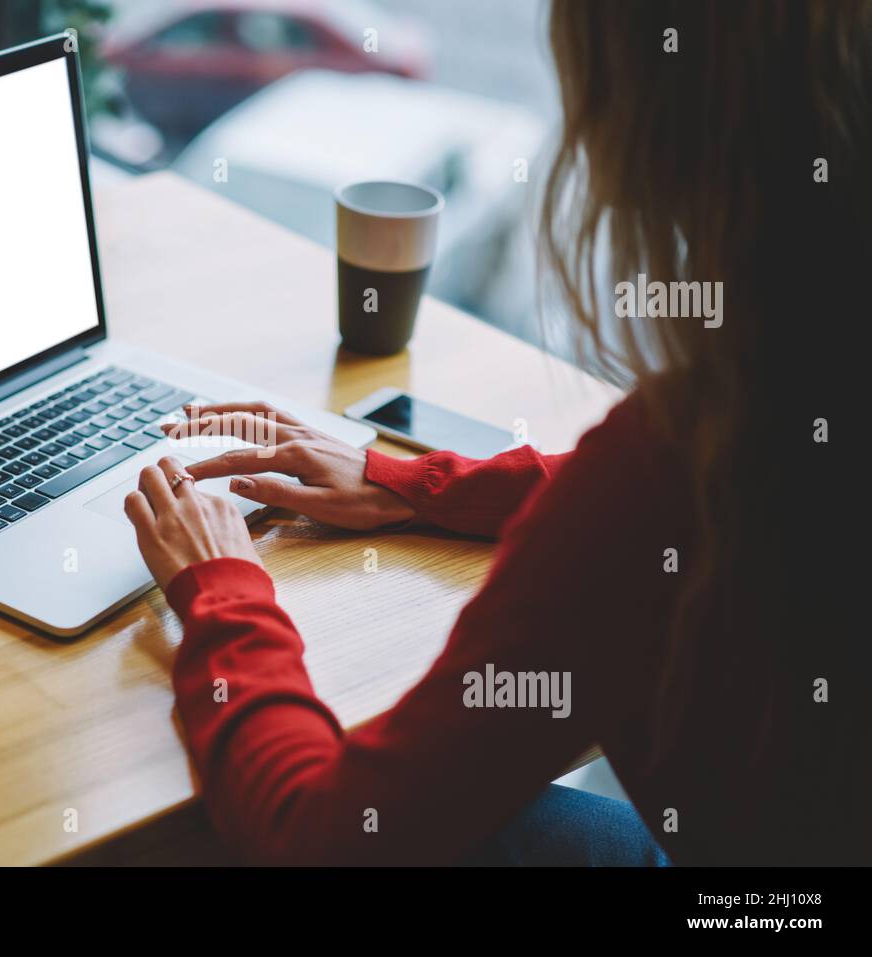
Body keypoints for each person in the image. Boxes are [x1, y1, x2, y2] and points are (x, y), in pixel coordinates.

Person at [122, 0, 866, 866]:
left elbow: (322, 839)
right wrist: (416, 484)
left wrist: (224, 596)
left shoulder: (670, 470)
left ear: (643, 133)